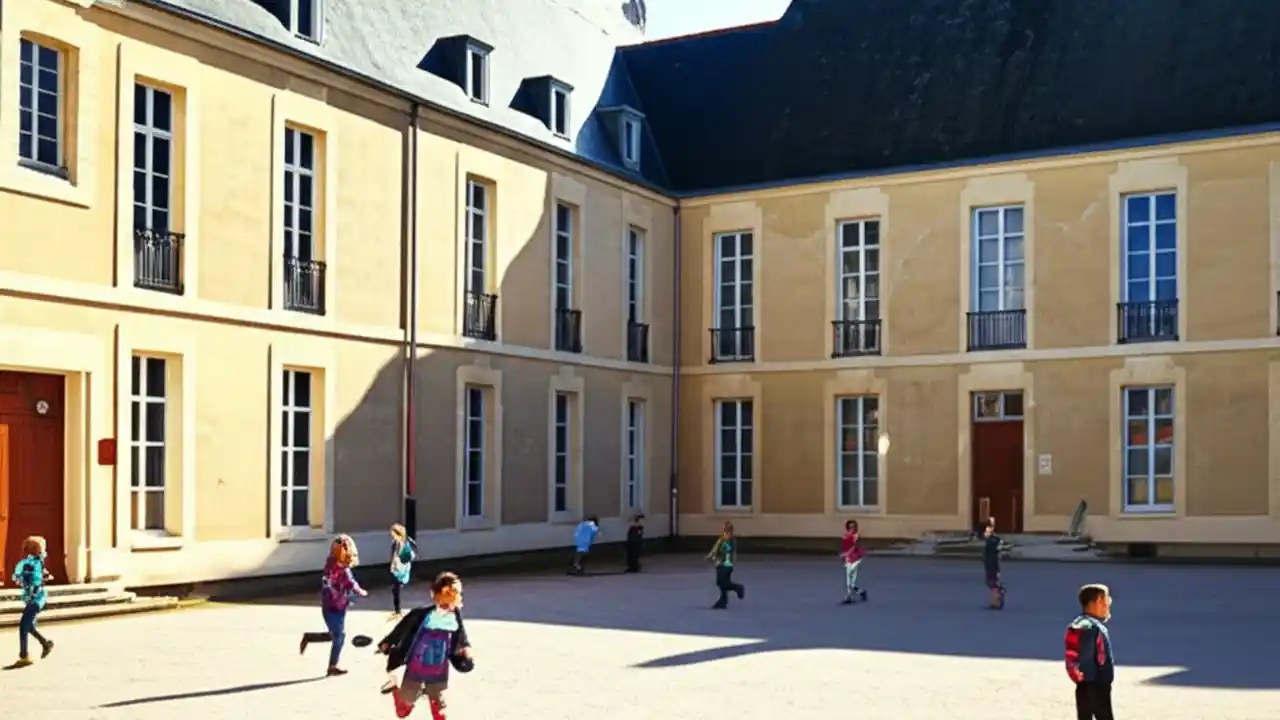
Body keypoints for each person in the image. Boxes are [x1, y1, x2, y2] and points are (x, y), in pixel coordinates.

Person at [379, 572, 474, 720]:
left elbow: (460, 635)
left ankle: (426, 694)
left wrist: (464, 650)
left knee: (440, 713)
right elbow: (402, 628)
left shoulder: (454, 616)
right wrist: (388, 642)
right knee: (403, 711)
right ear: (434, 594)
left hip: (438, 670)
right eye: (446, 595)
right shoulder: (422, 615)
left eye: (453, 596)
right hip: (416, 668)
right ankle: (396, 690)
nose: (448, 602)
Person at [300, 534, 367, 676]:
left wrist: (353, 592)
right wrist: (358, 591)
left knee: (335, 636)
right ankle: (332, 667)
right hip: (331, 608)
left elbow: (350, 582)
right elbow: (345, 584)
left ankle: (310, 637)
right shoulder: (331, 568)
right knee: (339, 636)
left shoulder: (340, 568)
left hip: (339, 607)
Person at [1065, 584, 1116, 720]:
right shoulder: (1090, 627)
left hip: (1084, 685)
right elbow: (1087, 657)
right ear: (1098, 601)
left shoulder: (1080, 623)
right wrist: (1090, 683)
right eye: (1107, 601)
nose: (1108, 605)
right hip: (1095, 685)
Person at [11, 536, 54, 667]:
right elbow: (16, 576)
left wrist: (32, 588)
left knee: (23, 626)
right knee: (28, 626)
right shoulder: (29, 563)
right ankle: (46, 644)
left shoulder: (34, 563)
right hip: (34, 598)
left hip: (35, 599)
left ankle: (24, 655)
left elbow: (20, 578)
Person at [705, 520, 745, 609]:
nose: (726, 533)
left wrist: (710, 556)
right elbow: (731, 552)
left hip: (723, 565)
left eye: (727, 531)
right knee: (723, 582)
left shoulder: (725, 540)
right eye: (726, 531)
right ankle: (723, 601)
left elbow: (717, 550)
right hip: (724, 564)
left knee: (722, 583)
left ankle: (737, 588)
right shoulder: (727, 540)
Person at [389, 524, 417, 618]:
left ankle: (398, 610)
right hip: (398, 568)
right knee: (395, 589)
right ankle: (397, 609)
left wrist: (393, 564)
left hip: (400, 568)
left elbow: (397, 556)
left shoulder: (402, 543)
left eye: (393, 533)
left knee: (396, 589)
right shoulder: (396, 543)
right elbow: (393, 555)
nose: (391, 535)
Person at [839, 519, 868, 604]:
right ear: (847, 528)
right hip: (848, 559)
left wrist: (846, 554)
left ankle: (850, 595)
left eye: (854, 527)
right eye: (850, 527)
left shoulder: (856, 536)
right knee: (849, 578)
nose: (852, 528)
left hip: (855, 559)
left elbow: (854, 547)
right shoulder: (845, 536)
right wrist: (843, 554)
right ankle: (860, 592)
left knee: (851, 578)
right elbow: (843, 546)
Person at [982, 519, 1006, 609]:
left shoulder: (993, 540)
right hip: (990, 563)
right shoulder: (991, 540)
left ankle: (996, 600)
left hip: (992, 563)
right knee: (990, 582)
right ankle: (995, 599)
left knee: (991, 582)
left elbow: (997, 547)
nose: (986, 533)